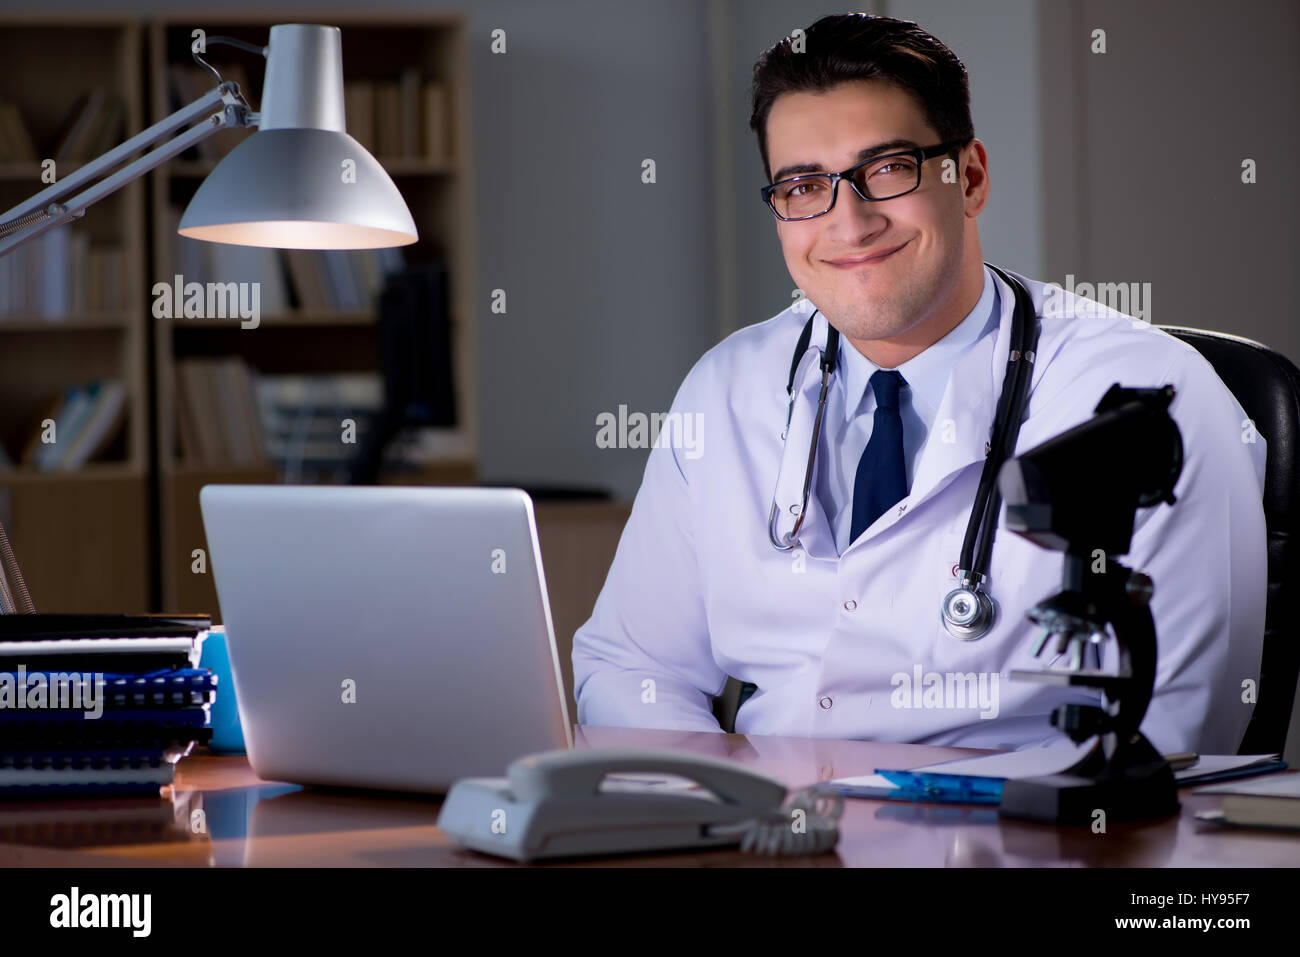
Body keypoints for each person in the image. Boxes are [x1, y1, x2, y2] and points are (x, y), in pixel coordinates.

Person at [572, 13, 1267, 754]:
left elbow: (1173, 737)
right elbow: (633, 669)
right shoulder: (726, 389)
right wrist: (715, 807)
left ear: (968, 177)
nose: (849, 221)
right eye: (804, 184)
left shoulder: (1146, 400)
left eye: (888, 168)